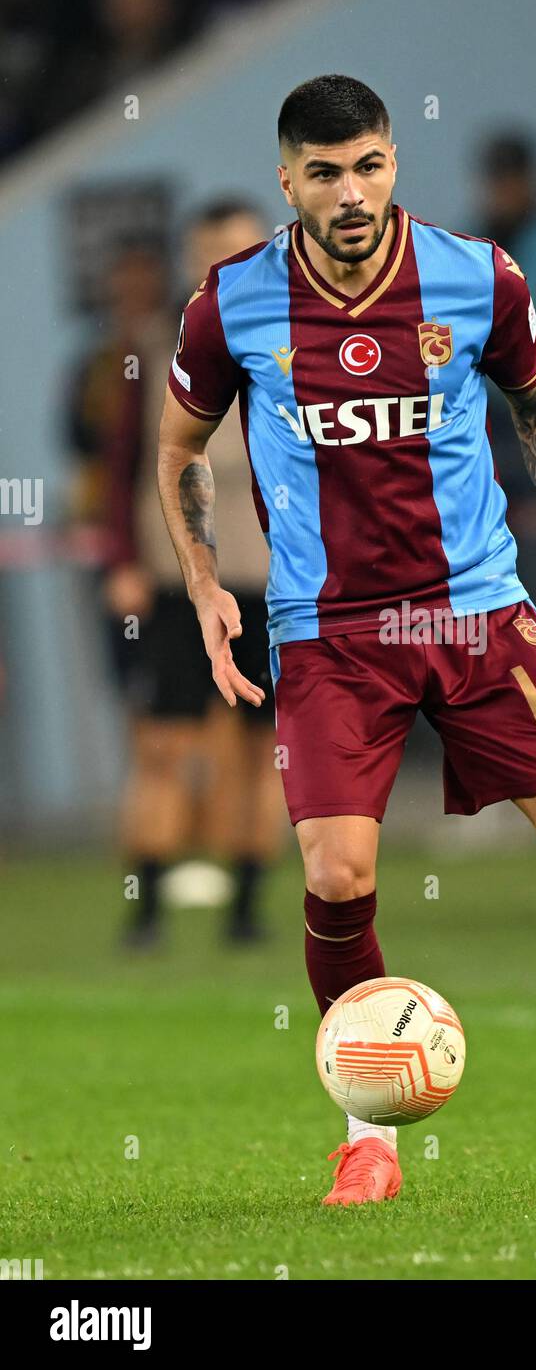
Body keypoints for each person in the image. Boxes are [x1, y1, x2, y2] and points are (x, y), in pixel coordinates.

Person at [157, 73, 536, 1204]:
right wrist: (201, 581)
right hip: (331, 634)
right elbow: (177, 447)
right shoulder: (228, 302)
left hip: (478, 612)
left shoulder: (477, 277)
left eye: (369, 165)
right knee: (337, 874)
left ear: (393, 163)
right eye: (325, 173)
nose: (350, 192)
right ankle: (366, 1135)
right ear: (286, 179)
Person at [106, 201, 284, 946]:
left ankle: (247, 912)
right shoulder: (150, 350)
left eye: (235, 248)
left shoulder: (300, 345)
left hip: (274, 583)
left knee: (261, 751)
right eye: (207, 249)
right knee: (164, 745)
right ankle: (145, 912)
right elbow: (120, 469)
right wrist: (121, 558)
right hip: (178, 581)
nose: (220, 262)